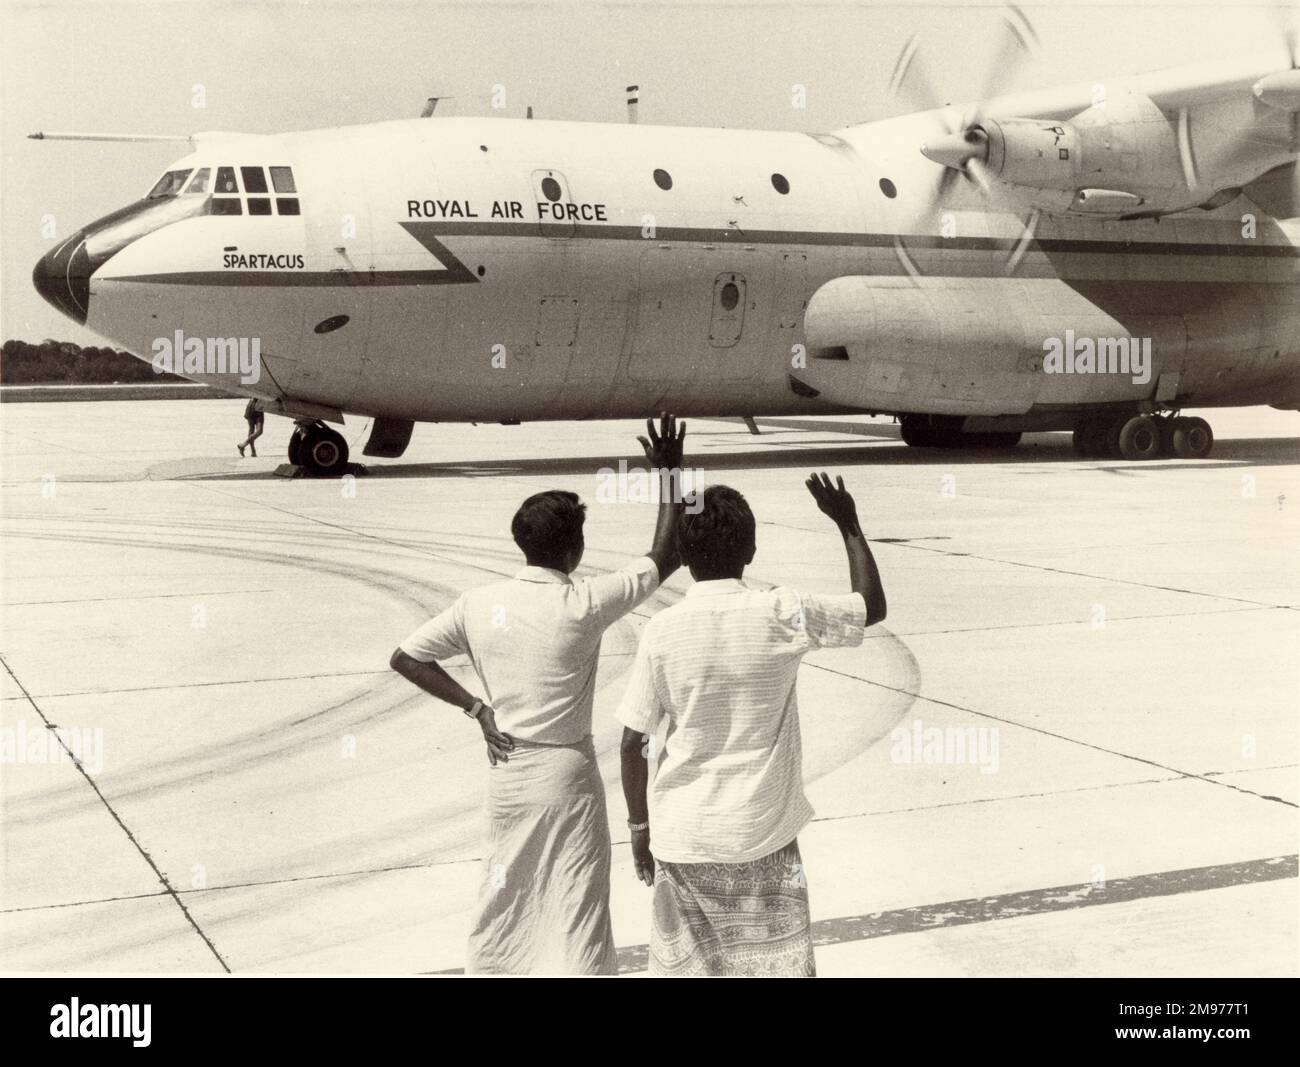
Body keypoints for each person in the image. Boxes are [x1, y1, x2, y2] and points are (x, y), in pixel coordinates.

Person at [390, 415, 687, 975]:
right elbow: (665, 556)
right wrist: (669, 476)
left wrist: (477, 709)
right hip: (568, 775)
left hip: (508, 773)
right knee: (579, 903)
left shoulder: (478, 603)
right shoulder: (586, 601)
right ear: (574, 546)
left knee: (504, 899)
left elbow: (407, 657)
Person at [616, 473, 887, 977]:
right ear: (752, 549)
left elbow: (634, 742)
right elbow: (870, 607)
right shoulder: (783, 612)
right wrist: (848, 524)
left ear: (684, 555)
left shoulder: (662, 629)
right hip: (761, 834)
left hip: (685, 836)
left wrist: (639, 828)